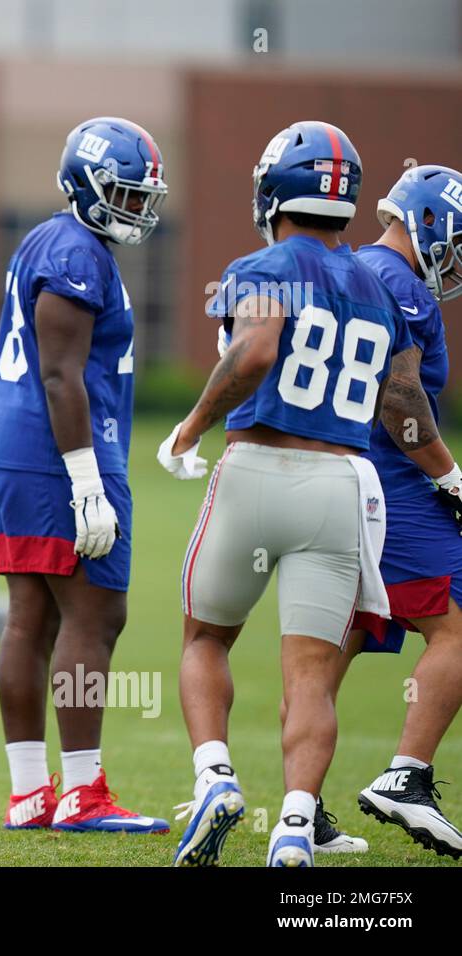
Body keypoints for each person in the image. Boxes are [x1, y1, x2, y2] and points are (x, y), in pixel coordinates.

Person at [163, 122, 436, 867]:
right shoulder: (378, 286)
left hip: (256, 468)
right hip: (339, 484)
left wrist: (192, 423)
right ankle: (292, 824)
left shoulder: (263, 265)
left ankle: (215, 777)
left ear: (275, 186)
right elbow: (400, 398)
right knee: (312, 673)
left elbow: (255, 348)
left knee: (205, 639)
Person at [0, 117, 171, 835]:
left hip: (18, 443)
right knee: (95, 616)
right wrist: (86, 480)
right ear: (82, 184)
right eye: (121, 192)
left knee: (33, 616)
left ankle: (32, 793)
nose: (133, 207)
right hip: (55, 448)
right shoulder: (74, 250)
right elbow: (62, 378)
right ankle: (82, 793)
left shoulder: (52, 240)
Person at [304, 165, 462, 859]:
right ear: (429, 222)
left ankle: (298, 806)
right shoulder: (400, 284)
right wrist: (451, 477)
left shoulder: (352, 269)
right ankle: (407, 776)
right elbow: (399, 402)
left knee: (327, 653)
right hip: (392, 490)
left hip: (335, 481)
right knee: (458, 628)